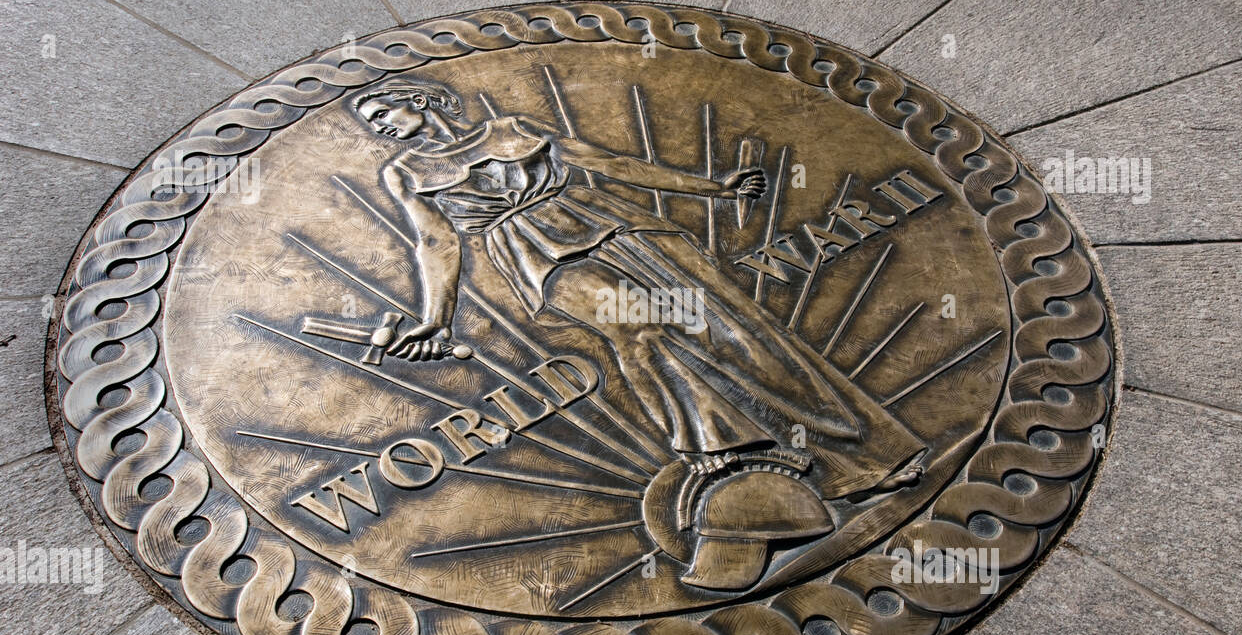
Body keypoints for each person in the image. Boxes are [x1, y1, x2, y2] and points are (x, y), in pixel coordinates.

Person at [350, 77, 924, 501]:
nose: (381, 127)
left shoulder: (512, 130)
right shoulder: (407, 171)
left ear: (419, 100)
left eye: (383, 113)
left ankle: (854, 459)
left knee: (730, 330)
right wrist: (437, 318)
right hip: (535, 253)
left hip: (620, 225)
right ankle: (715, 448)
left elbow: (604, 161)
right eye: (373, 123)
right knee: (638, 326)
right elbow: (436, 242)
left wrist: (710, 189)